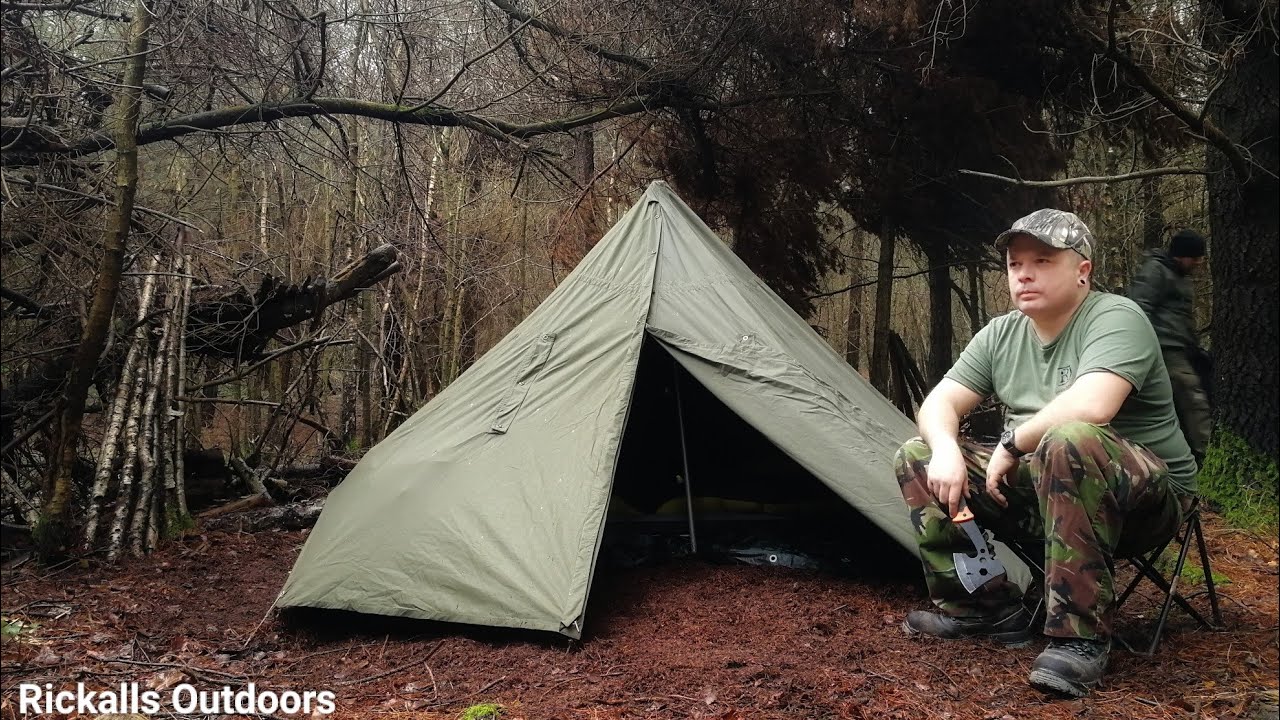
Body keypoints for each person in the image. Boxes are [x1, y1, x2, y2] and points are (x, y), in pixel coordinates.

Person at [893, 209, 1197, 698]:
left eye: (1042, 260)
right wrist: (947, 449)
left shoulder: (1117, 317)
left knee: (1070, 437)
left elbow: (1094, 404)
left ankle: (1079, 638)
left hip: (1145, 503)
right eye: (1015, 264)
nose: (1024, 273)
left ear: (1083, 271)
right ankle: (982, 607)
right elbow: (939, 402)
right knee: (918, 454)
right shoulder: (1002, 333)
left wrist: (1013, 443)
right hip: (1046, 493)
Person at [1127, 229, 1212, 465]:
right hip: (1163, 349)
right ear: (1181, 255)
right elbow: (1139, 309)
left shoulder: (1179, 275)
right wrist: (1146, 347)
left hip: (1181, 348)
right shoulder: (1156, 271)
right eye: (1194, 257)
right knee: (1193, 398)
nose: (1198, 262)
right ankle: (1207, 455)